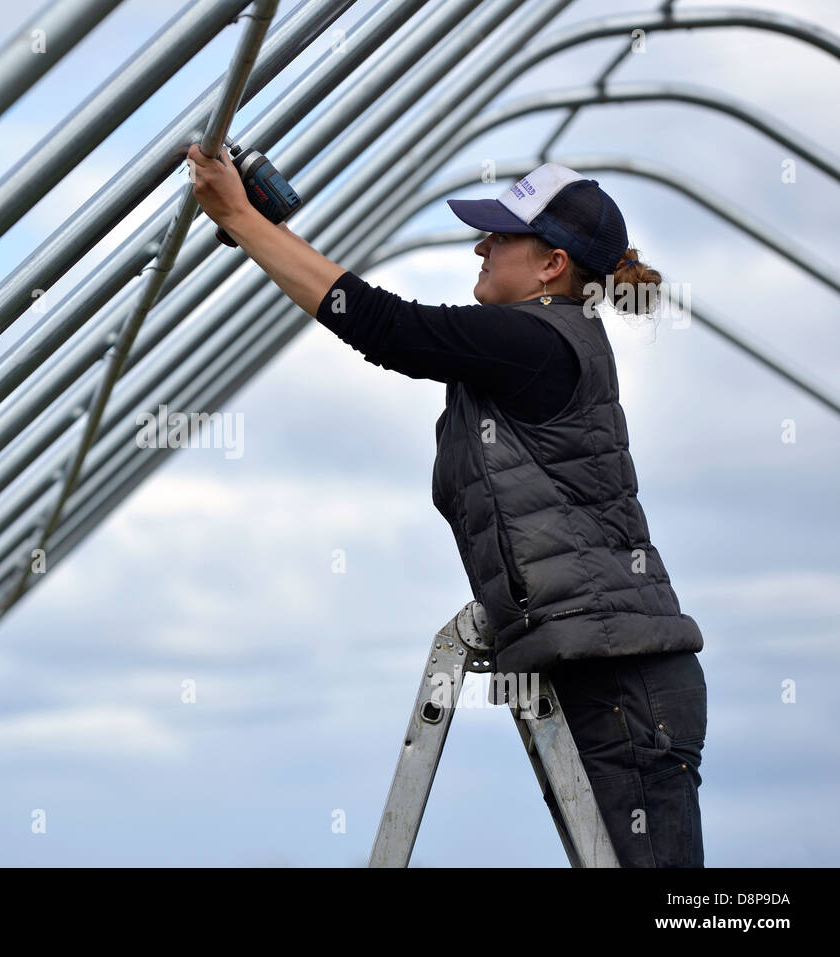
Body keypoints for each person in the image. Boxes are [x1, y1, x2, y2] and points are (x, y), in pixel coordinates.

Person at [186, 146, 708, 868]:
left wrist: (242, 219)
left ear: (552, 264)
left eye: (500, 235)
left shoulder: (538, 339)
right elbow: (385, 323)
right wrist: (254, 232)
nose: (480, 245)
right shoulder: (530, 346)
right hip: (608, 676)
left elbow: (385, 327)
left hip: (623, 684)